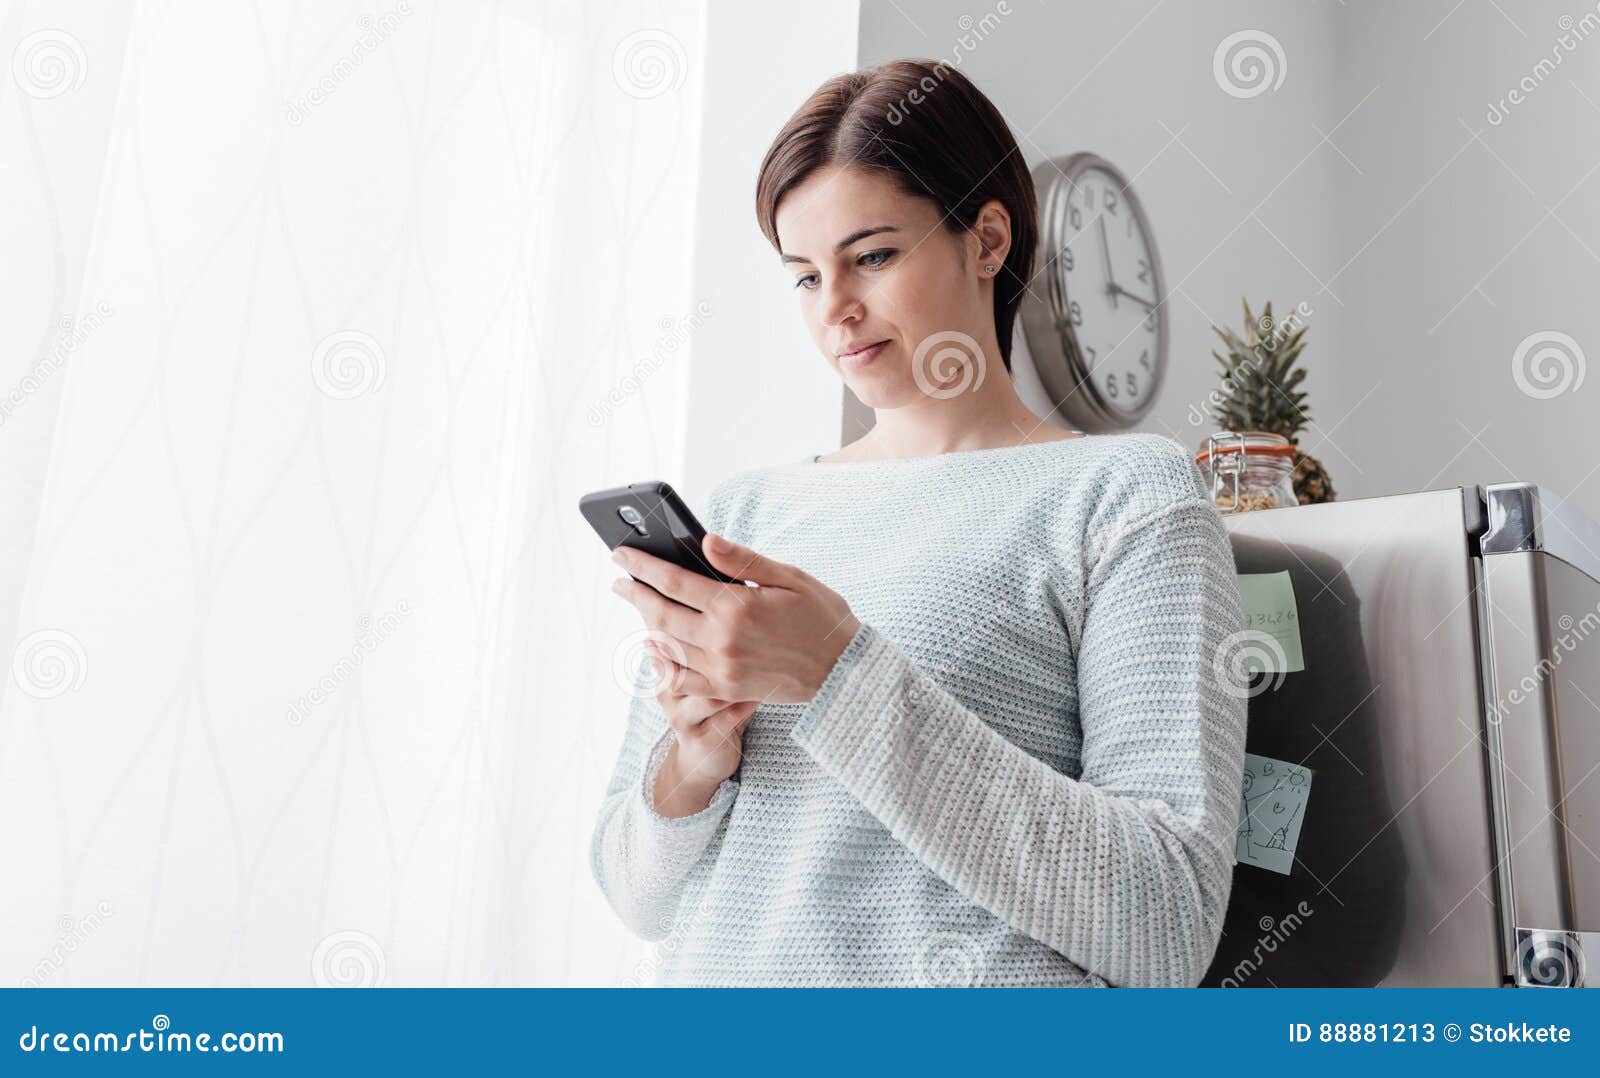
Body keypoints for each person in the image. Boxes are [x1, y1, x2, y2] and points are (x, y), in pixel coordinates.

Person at [590, 58, 1247, 987]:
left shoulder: (1127, 495)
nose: (836, 311)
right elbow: (633, 894)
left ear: (986, 241)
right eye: (804, 277)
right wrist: (696, 761)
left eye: (873, 256)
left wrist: (834, 671)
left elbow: (1164, 924)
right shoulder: (748, 514)